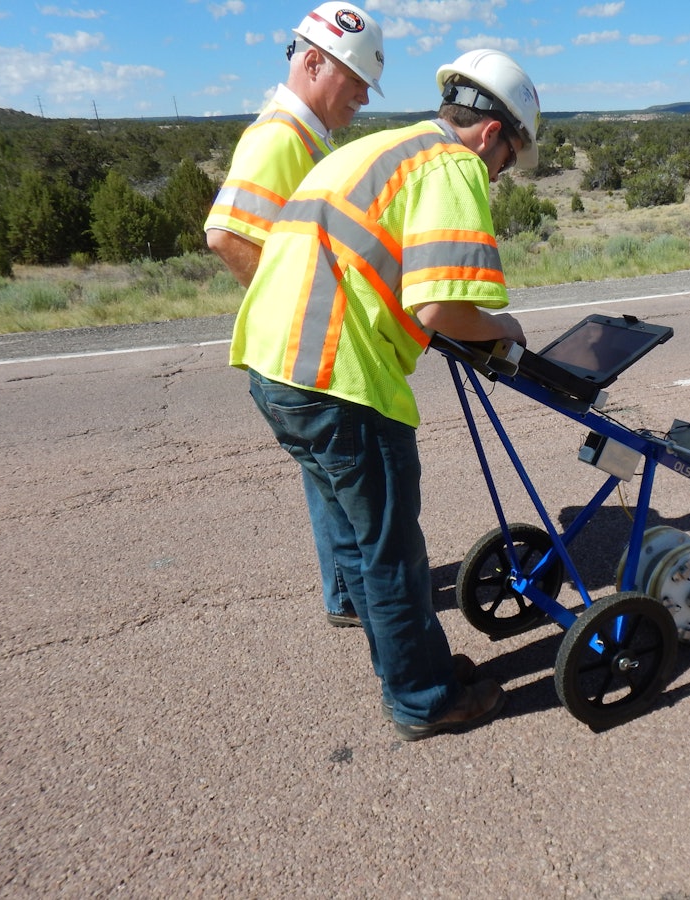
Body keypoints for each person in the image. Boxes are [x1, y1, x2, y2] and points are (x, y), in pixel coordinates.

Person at [230, 49, 540, 740]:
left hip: (272, 368)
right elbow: (443, 310)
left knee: (349, 517)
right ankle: (423, 698)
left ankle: (384, 637)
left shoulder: (380, 146)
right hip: (339, 378)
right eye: (509, 158)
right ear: (493, 135)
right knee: (392, 548)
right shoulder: (454, 166)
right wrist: (505, 330)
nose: (500, 172)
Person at [205, 2, 384, 629]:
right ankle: (364, 599)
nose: (363, 96)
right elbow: (227, 236)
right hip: (307, 355)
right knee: (351, 490)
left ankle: (343, 592)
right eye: (355, 80)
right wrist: (294, 309)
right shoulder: (281, 135)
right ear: (313, 62)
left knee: (327, 482)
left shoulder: (307, 136)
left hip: (301, 354)